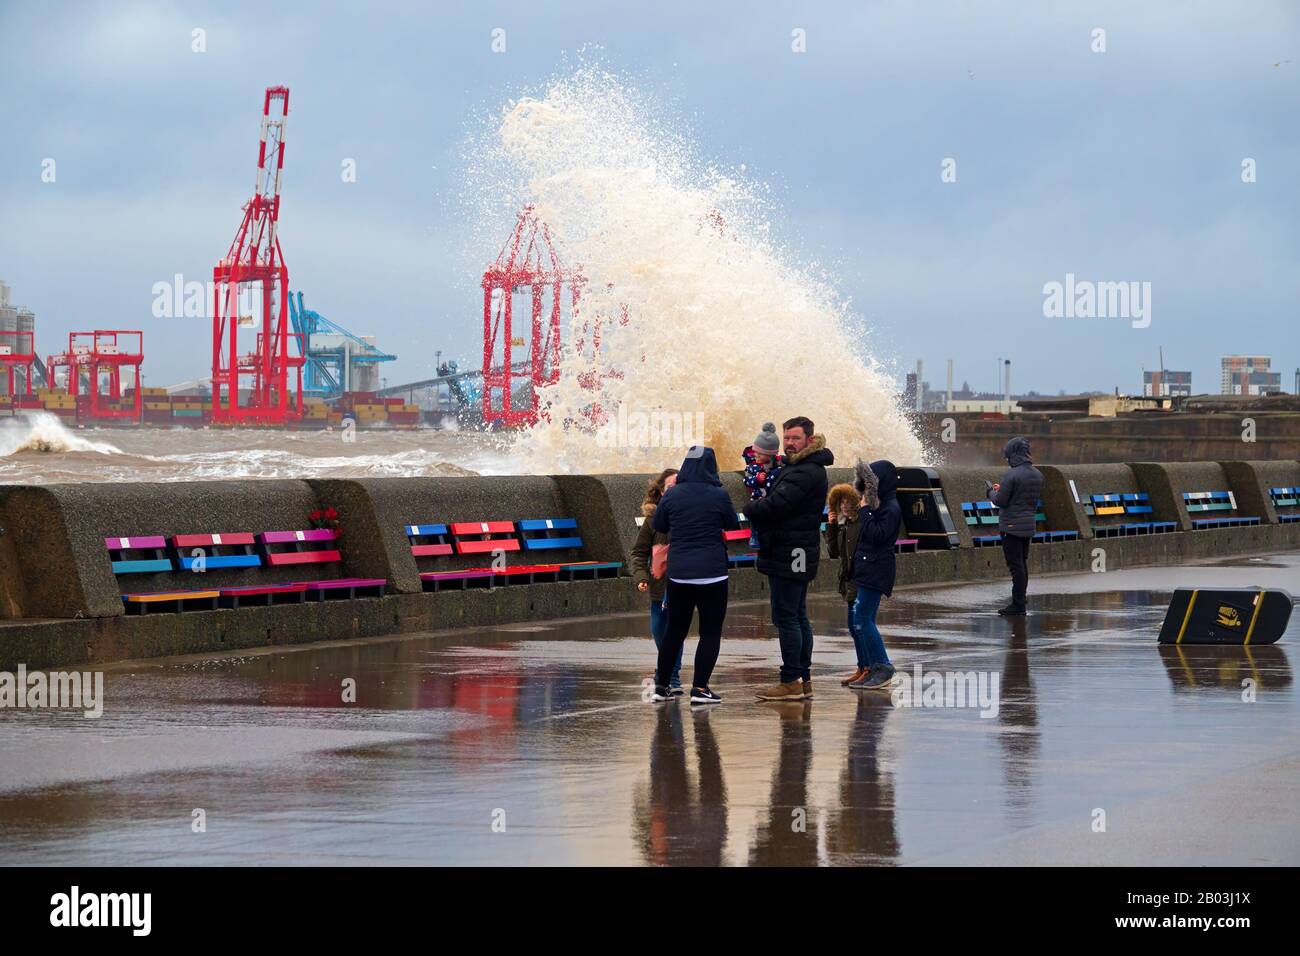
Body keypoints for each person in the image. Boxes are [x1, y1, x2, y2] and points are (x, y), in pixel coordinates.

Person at [744, 416, 834, 702]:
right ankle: (802, 678)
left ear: (809, 438)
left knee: (786, 616)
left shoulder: (805, 471)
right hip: (796, 549)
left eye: (795, 438)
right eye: (787, 438)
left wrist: (751, 507)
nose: (790, 443)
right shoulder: (803, 467)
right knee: (797, 615)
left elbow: (777, 505)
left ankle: (791, 680)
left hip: (791, 550)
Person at [651, 446, 740, 705]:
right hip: (712, 573)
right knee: (710, 632)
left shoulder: (673, 495)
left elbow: (659, 525)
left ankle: (661, 686)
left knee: (675, 631)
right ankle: (700, 689)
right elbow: (732, 524)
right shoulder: (719, 493)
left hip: (679, 574)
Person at [847, 459, 902, 690]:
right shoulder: (881, 505)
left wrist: (865, 511)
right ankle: (870, 667)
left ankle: (883, 666)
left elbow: (877, 536)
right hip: (868, 568)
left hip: (877, 569)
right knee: (858, 619)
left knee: (863, 618)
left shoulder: (890, 508)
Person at [631, 468, 682, 696]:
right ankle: (667, 671)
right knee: (657, 630)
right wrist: (641, 577)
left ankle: (672, 677)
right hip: (657, 586)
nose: (675, 492)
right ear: (660, 492)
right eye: (670, 488)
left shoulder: (686, 516)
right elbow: (639, 552)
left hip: (681, 585)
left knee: (675, 632)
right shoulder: (652, 521)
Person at [988, 436, 1044, 617]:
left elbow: (1000, 501)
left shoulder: (1011, 475)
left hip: (1011, 527)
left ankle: (1018, 605)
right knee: (1022, 564)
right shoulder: (1037, 474)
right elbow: (1021, 496)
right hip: (1028, 525)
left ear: (1012, 454)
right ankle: (1021, 599)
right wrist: (1002, 487)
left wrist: (991, 492)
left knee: (1015, 567)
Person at [823, 482, 867, 685]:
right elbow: (833, 552)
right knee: (853, 626)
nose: (844, 507)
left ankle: (867, 667)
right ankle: (862, 666)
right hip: (848, 582)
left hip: (860, 581)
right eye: (840, 503)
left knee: (859, 625)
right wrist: (831, 525)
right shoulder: (844, 526)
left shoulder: (862, 523)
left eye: (848, 502)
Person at [742, 422, 783, 545]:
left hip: (772, 502)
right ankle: (754, 536)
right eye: (755, 452)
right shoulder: (753, 467)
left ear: (770, 454)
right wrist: (757, 480)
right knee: (756, 517)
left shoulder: (780, 468)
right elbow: (746, 481)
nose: (755, 455)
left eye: (759, 453)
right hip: (757, 500)